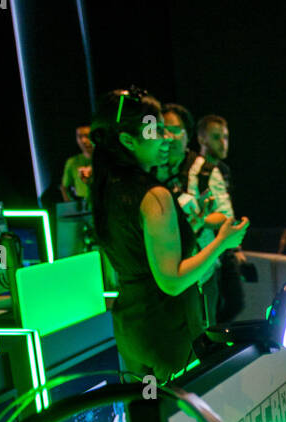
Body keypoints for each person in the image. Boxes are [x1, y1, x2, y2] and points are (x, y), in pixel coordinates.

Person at [88, 88, 248, 381]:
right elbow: (172, 281)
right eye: (155, 130)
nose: (166, 138)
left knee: (145, 419)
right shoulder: (154, 195)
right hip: (168, 331)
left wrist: (196, 223)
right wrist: (222, 242)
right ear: (127, 141)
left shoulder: (106, 190)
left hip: (132, 329)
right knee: (180, 420)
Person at [160, 103, 218, 326]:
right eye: (162, 130)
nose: (168, 137)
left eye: (175, 130)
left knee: (204, 332)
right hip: (166, 273)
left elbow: (225, 219)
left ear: (188, 135)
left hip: (201, 269)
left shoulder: (204, 170)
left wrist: (203, 221)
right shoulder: (149, 172)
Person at [188, 113, 243, 322]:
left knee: (228, 304)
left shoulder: (222, 170)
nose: (223, 143)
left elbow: (224, 210)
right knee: (218, 308)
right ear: (201, 139)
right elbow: (201, 215)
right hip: (208, 248)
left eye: (225, 137)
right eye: (216, 137)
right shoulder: (197, 170)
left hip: (223, 247)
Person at [60, 124, 93, 201]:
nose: (83, 141)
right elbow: (64, 188)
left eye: (87, 136)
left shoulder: (106, 159)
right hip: (83, 207)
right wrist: (71, 207)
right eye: (80, 137)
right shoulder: (72, 162)